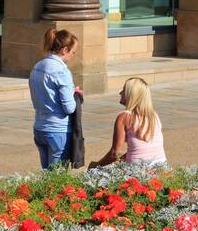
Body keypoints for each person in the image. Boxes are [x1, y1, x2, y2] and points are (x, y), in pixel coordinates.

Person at [28, 28, 81, 169]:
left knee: (46, 174)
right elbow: (69, 107)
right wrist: (74, 95)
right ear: (64, 50)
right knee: (57, 180)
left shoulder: (37, 67)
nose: (73, 56)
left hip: (39, 127)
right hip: (58, 129)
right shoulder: (62, 71)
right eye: (73, 52)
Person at [89, 76, 166, 170]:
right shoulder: (154, 116)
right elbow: (143, 149)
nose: (120, 93)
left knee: (95, 175)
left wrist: (96, 165)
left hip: (137, 170)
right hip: (161, 167)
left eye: (124, 90)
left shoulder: (124, 117)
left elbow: (114, 153)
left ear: (131, 95)